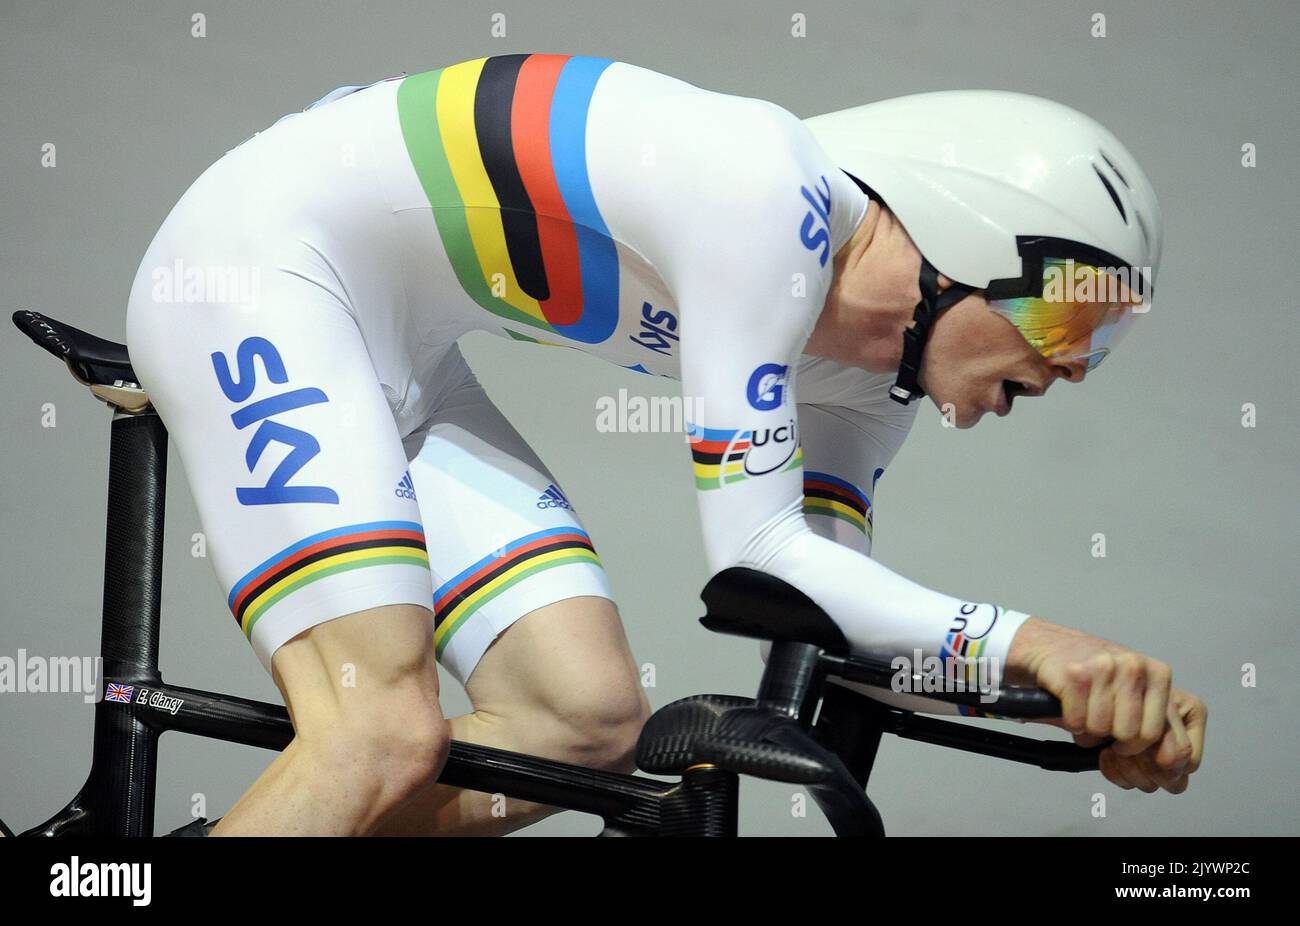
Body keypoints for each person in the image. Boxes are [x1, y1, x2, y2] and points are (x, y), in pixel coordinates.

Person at [125, 54, 1205, 835]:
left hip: (390, 341)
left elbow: (819, 614)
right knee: (373, 730)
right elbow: (757, 552)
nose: (1066, 371)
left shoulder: (870, 383)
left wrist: (1060, 701)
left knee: (583, 725)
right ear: (967, 238)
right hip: (258, 266)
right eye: (1070, 325)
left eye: (1100, 347)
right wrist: (1037, 640)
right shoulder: (766, 197)